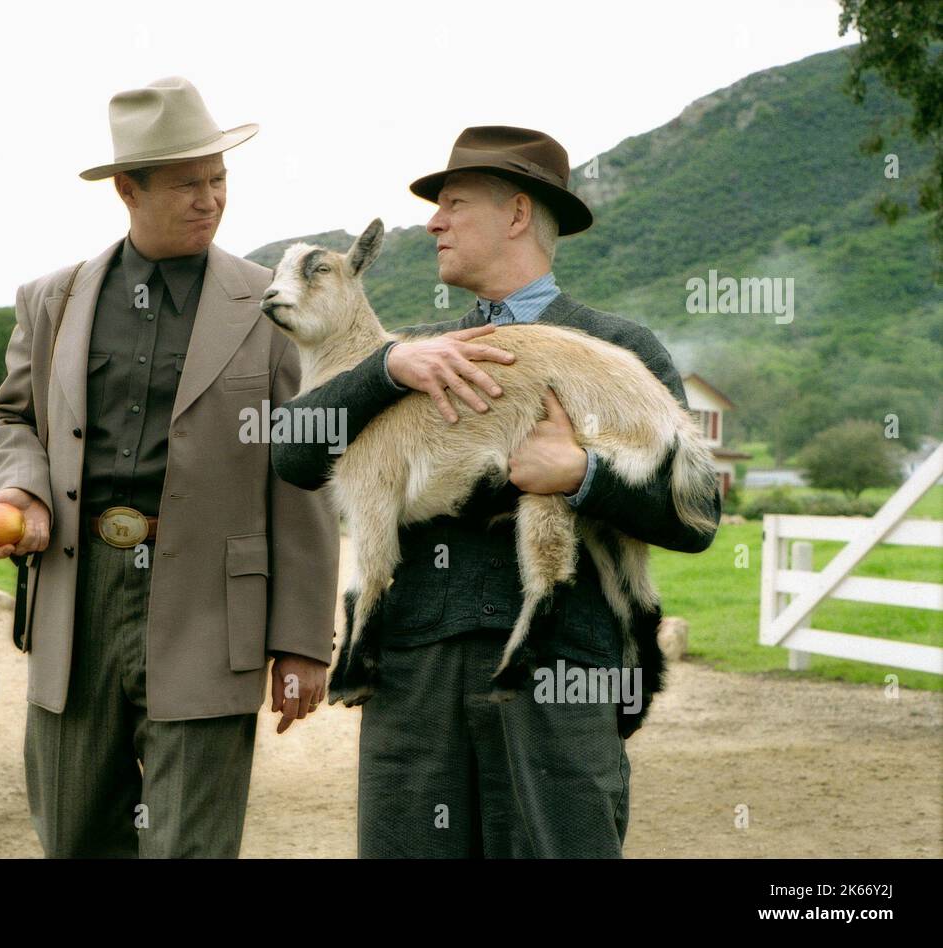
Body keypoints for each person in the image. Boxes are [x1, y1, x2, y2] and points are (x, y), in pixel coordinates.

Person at [271, 126, 720, 858]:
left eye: (452, 204)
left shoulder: (621, 349)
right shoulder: (407, 354)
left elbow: (694, 516)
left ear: (516, 215)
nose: (434, 222)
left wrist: (583, 476)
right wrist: (388, 368)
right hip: (414, 678)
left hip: (561, 676)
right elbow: (291, 452)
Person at [0, 77, 339, 858]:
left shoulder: (270, 310)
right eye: (187, 185)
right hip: (77, 598)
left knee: (189, 846)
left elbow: (300, 471)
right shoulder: (52, 300)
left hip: (213, 603)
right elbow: (6, 418)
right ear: (127, 190)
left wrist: (304, 638)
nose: (210, 201)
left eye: (219, 181)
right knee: (75, 835)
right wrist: (21, 490)